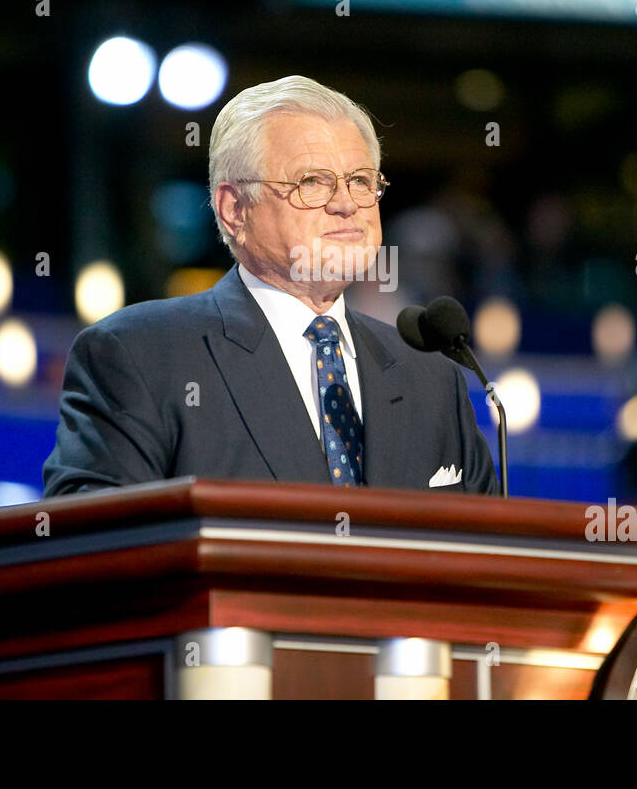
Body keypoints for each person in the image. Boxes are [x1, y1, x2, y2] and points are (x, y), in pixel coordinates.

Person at [42, 74, 500, 496]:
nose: (346, 204)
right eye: (313, 183)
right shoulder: (139, 356)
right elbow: (94, 546)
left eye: (361, 181)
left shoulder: (431, 376)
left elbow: (488, 558)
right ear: (234, 210)